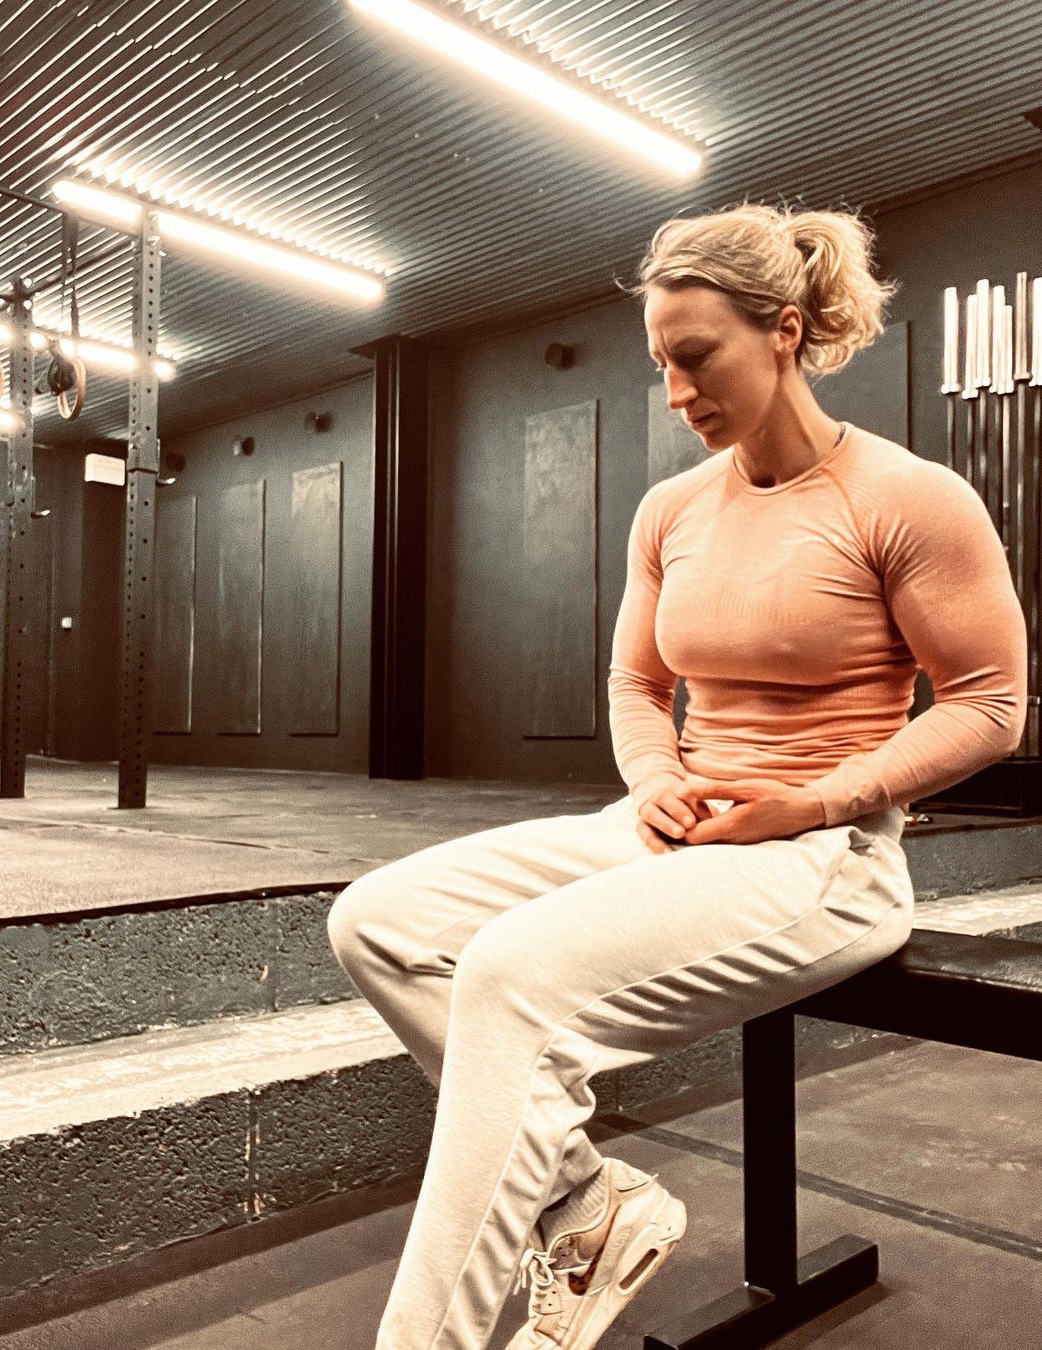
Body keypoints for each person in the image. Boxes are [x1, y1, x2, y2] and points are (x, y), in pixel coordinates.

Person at [327, 202, 1027, 1350]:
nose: (675, 391)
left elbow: (991, 704)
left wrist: (820, 798)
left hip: (821, 855)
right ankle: (588, 1208)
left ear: (785, 330)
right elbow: (636, 683)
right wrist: (653, 778)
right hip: (672, 824)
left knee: (507, 974)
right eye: (661, 363)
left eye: (696, 357)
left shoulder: (909, 497)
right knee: (378, 923)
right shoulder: (673, 509)